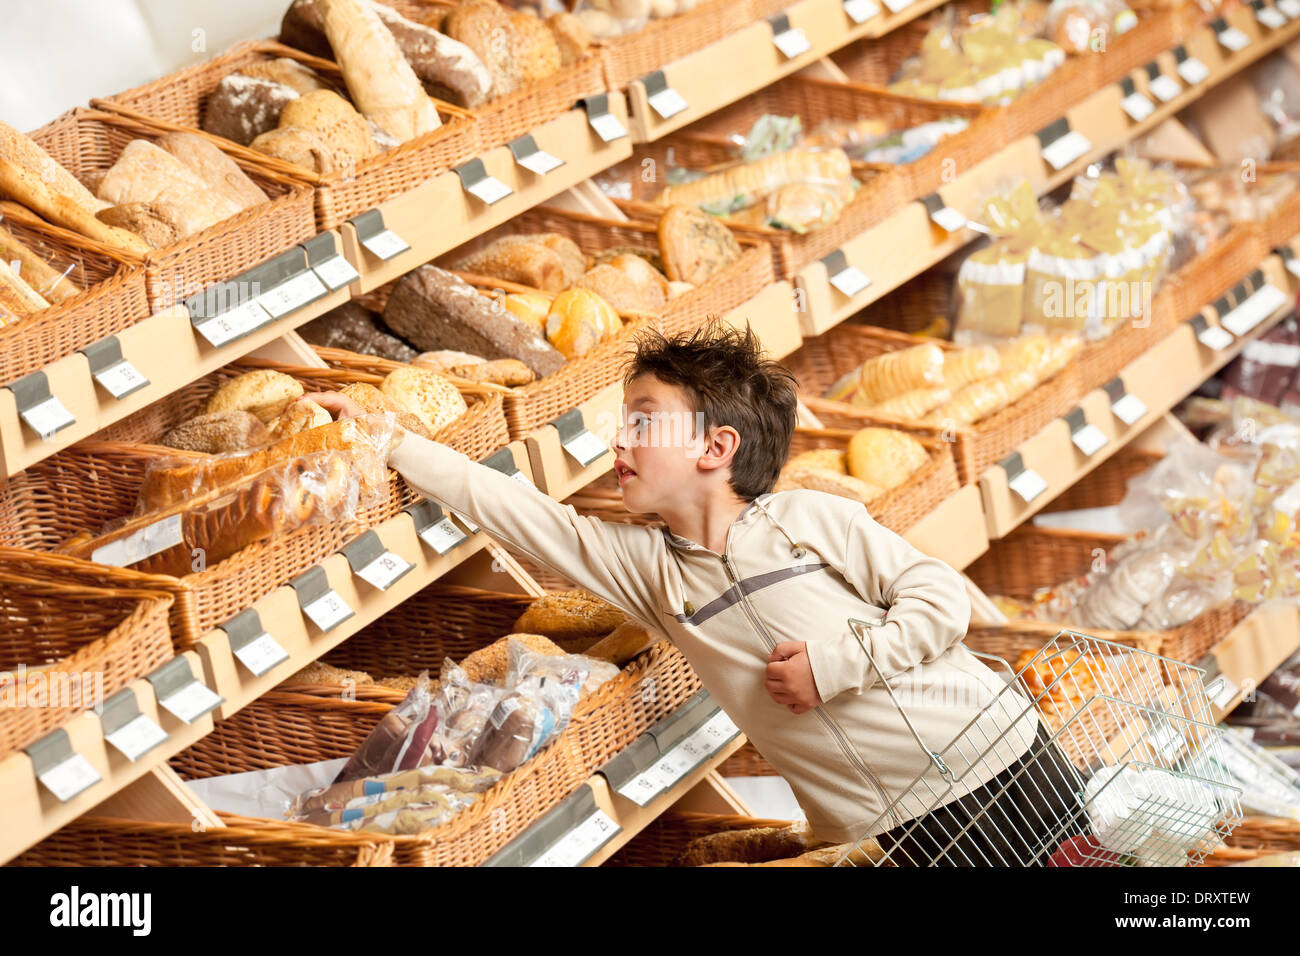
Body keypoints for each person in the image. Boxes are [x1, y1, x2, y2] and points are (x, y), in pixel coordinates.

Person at [310, 321, 1083, 865]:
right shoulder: (654, 574)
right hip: (906, 827)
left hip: (1003, 761)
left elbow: (939, 598)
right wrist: (394, 442)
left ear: (717, 448)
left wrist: (836, 664)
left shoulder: (807, 517)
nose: (621, 441)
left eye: (644, 420)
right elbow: (521, 512)